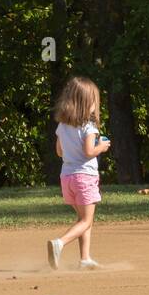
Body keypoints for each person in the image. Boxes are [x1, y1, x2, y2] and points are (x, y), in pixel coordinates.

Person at [47, 75, 109, 270]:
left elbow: (59, 151)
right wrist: (102, 146)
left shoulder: (62, 126)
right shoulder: (89, 127)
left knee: (82, 219)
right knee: (86, 220)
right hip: (85, 177)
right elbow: (90, 152)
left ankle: (85, 259)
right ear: (87, 103)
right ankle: (60, 243)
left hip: (67, 177)